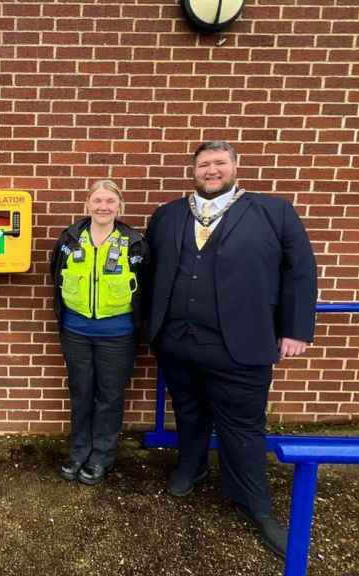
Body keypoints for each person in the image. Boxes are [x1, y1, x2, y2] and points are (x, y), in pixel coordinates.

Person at [144, 140, 317, 560]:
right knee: (187, 410)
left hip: (241, 344)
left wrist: (295, 330)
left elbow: (301, 271)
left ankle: (254, 502)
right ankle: (192, 465)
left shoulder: (274, 212)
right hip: (178, 341)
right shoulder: (167, 215)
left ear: (236, 167)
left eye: (220, 163)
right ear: (193, 170)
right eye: (204, 164)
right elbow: (150, 273)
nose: (211, 170)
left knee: (243, 425)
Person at [49, 180, 149, 485]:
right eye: (97, 200)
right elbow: (56, 271)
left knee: (109, 396)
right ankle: (79, 451)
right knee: (81, 393)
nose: (103, 206)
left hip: (118, 334)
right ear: (87, 204)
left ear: (119, 205)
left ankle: (101, 456)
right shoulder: (71, 237)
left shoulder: (133, 241)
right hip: (76, 330)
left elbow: (146, 284)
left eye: (109, 201)